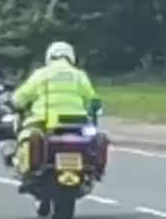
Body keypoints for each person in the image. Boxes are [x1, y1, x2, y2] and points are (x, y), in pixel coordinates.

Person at [9, 41, 103, 191]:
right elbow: (92, 99)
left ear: (49, 56)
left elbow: (21, 97)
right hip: (77, 123)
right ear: (71, 57)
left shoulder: (41, 74)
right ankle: (91, 170)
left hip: (44, 121)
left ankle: (28, 171)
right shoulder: (79, 75)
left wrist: (14, 103)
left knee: (26, 136)